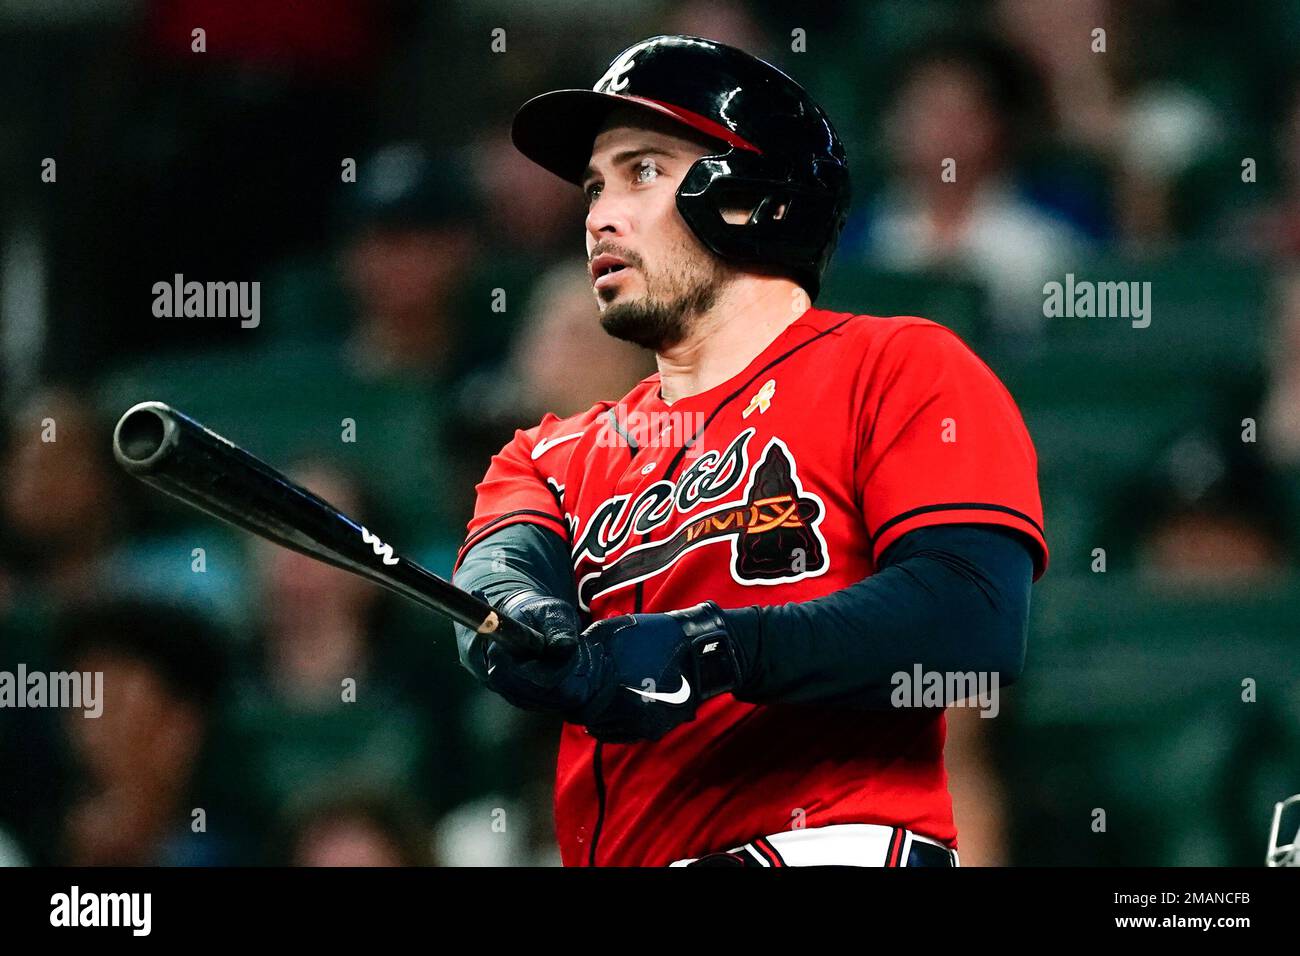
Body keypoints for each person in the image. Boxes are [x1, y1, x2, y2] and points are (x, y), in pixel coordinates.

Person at [452, 35, 1048, 867]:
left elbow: (972, 618)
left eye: (642, 172)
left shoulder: (898, 365)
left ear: (748, 198)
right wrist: (525, 626)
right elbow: (495, 580)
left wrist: (714, 648)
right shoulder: (549, 452)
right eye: (594, 186)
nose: (597, 215)